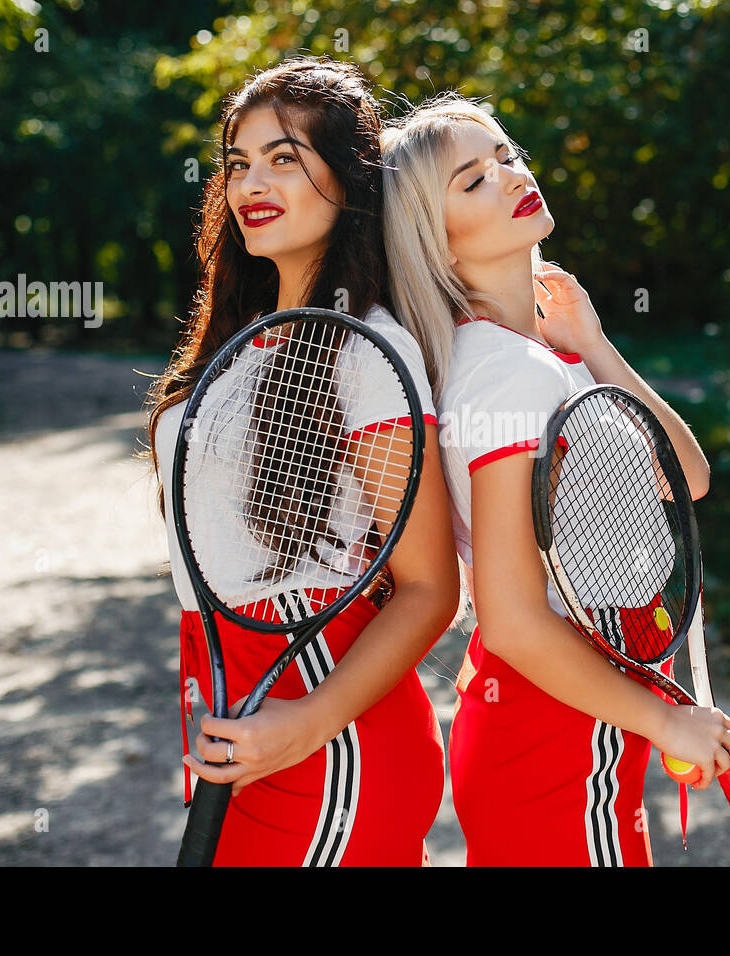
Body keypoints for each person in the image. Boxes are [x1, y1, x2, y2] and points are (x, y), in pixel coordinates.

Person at [381, 94, 730, 866]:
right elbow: (509, 616)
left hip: (585, 714)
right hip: (545, 730)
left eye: (506, 156)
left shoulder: (543, 356)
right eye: (472, 180)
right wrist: (668, 723)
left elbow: (688, 477)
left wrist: (594, 343)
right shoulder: (500, 377)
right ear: (437, 245)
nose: (510, 176)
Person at [144, 58, 458, 866]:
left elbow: (429, 589)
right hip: (230, 704)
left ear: (349, 180)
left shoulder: (369, 348)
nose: (254, 181)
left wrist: (304, 723)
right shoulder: (242, 335)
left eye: (285, 157)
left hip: (329, 743)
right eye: (239, 163)